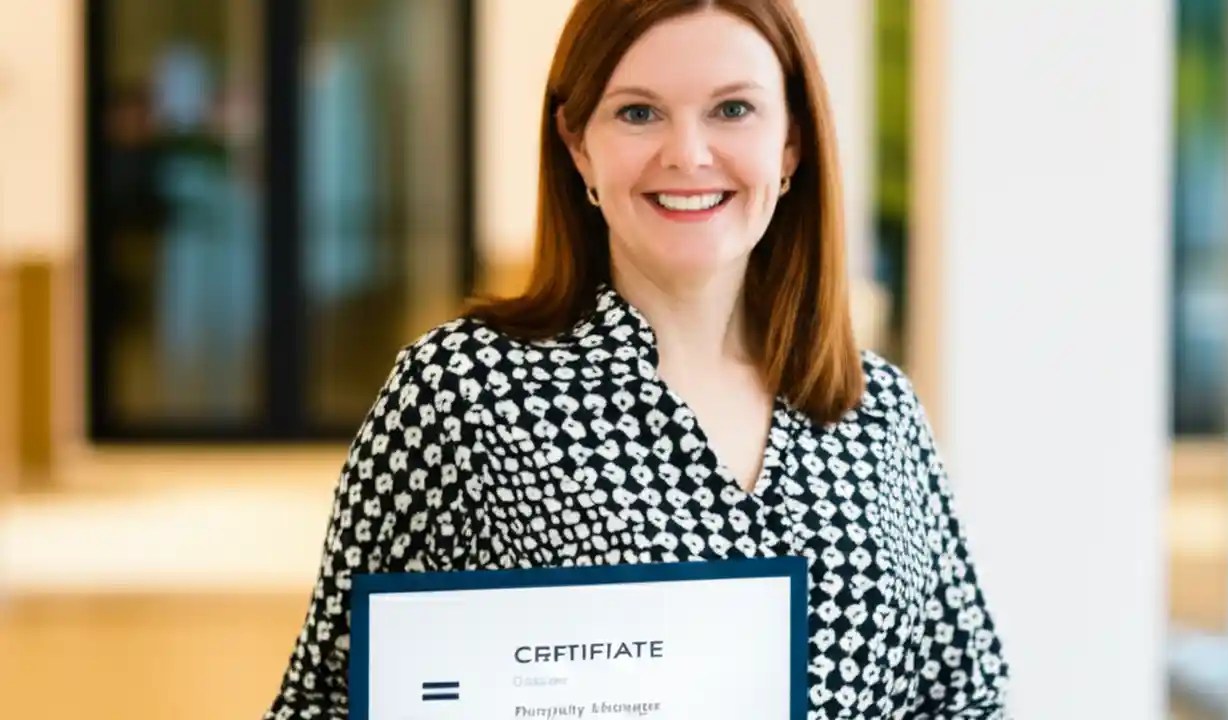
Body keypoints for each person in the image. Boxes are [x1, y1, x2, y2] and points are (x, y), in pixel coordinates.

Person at [263, 0, 1011, 717]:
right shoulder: (462, 393)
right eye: (638, 112)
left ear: (792, 143)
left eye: (733, 109)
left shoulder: (875, 411)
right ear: (577, 143)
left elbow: (967, 694)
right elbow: (324, 704)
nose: (687, 153)